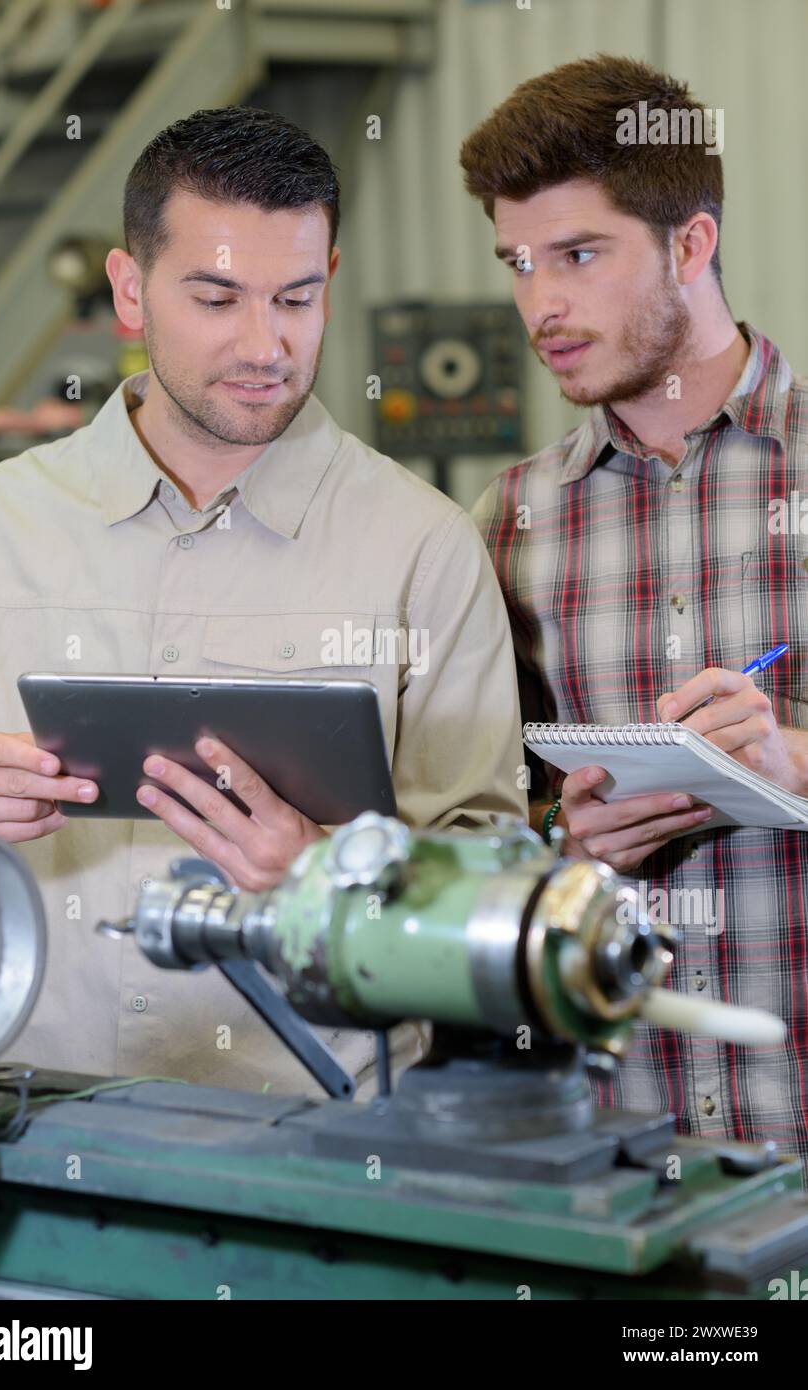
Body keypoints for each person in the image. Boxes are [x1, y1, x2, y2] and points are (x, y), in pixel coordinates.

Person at [0, 106, 525, 1096]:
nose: (266, 344)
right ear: (130, 292)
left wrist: (322, 865)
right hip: (13, 1127)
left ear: (329, 283)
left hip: (315, 1142)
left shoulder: (423, 547)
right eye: (216, 298)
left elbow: (498, 882)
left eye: (295, 298)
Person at [462, 56, 808, 1159]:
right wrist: (563, 841)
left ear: (690, 244)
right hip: (626, 1169)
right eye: (519, 264)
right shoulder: (507, 523)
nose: (539, 306)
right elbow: (469, 837)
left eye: (578, 255)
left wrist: (792, 763)